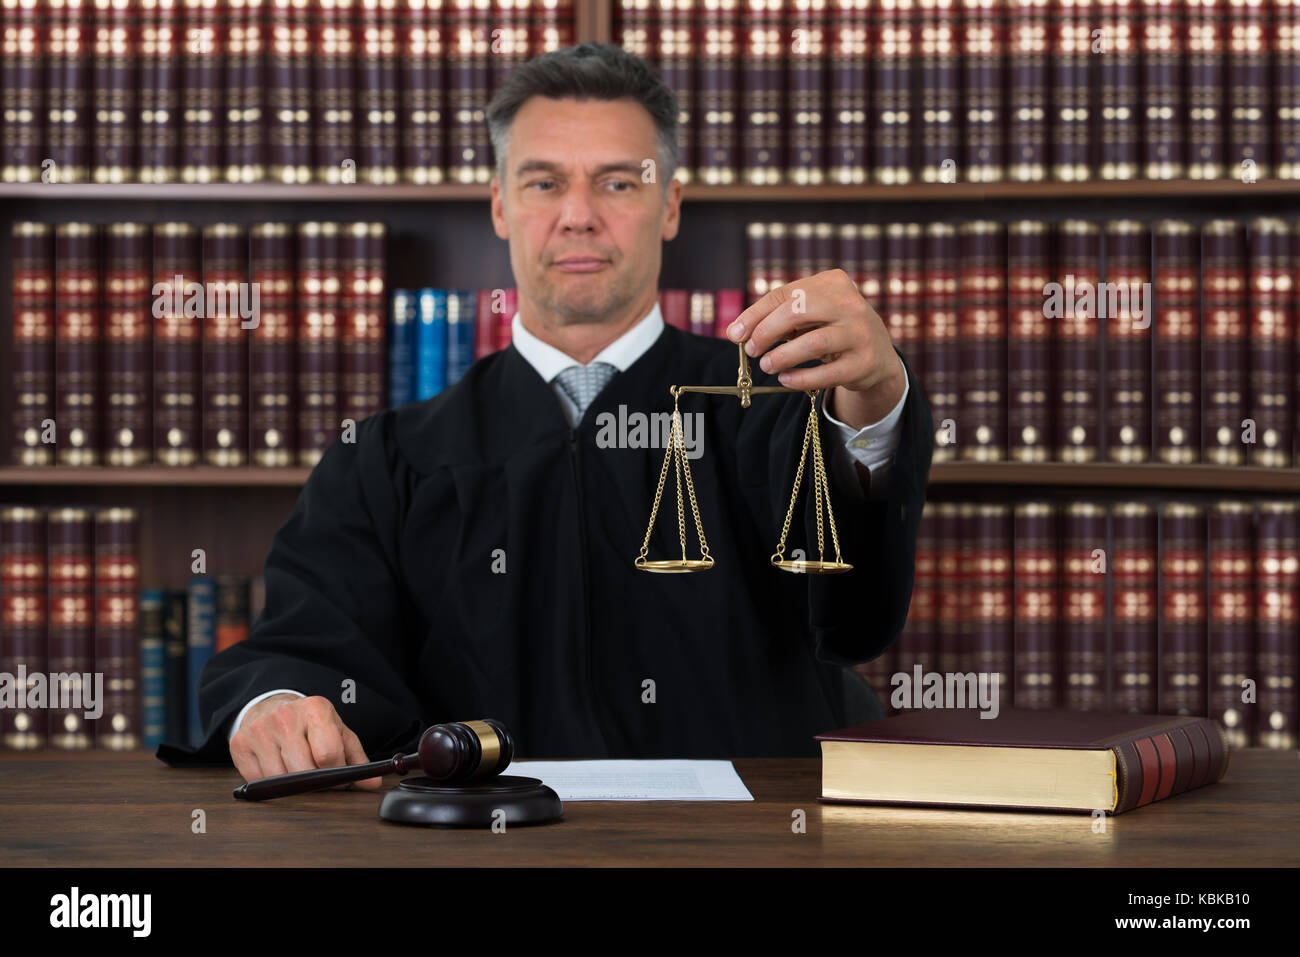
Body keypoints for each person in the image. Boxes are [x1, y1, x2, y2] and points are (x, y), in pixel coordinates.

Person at [159, 43, 934, 786]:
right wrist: (276, 707)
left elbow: (858, 617)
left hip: (737, 851)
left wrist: (875, 396)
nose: (579, 215)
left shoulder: (771, 414)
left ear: (670, 205)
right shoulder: (387, 459)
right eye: (542, 182)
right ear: (499, 204)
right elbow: (301, 644)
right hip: (471, 853)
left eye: (618, 183)